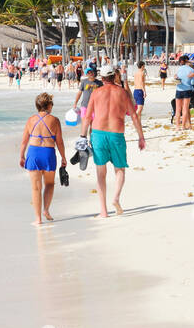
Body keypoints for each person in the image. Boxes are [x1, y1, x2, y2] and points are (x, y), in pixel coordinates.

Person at [81, 67, 145, 217]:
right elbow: (134, 116)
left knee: (100, 173)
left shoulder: (96, 93)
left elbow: (88, 117)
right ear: (114, 77)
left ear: (102, 78)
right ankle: (116, 197)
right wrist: (141, 136)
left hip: (98, 134)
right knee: (120, 169)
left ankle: (103, 211)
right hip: (116, 134)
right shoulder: (122, 93)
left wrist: (82, 136)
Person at [18, 92, 66, 226]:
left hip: (33, 153)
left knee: (35, 188)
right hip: (48, 153)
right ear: (49, 105)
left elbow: (23, 142)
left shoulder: (30, 120)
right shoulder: (54, 120)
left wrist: (22, 156)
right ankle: (46, 210)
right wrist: (63, 157)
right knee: (49, 184)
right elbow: (60, 142)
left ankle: (38, 219)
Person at [174, 58, 194, 130]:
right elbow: (192, 83)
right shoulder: (191, 70)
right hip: (187, 90)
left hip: (179, 89)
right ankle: (183, 126)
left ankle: (177, 127)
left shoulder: (179, 69)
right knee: (185, 109)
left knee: (178, 110)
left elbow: (176, 78)